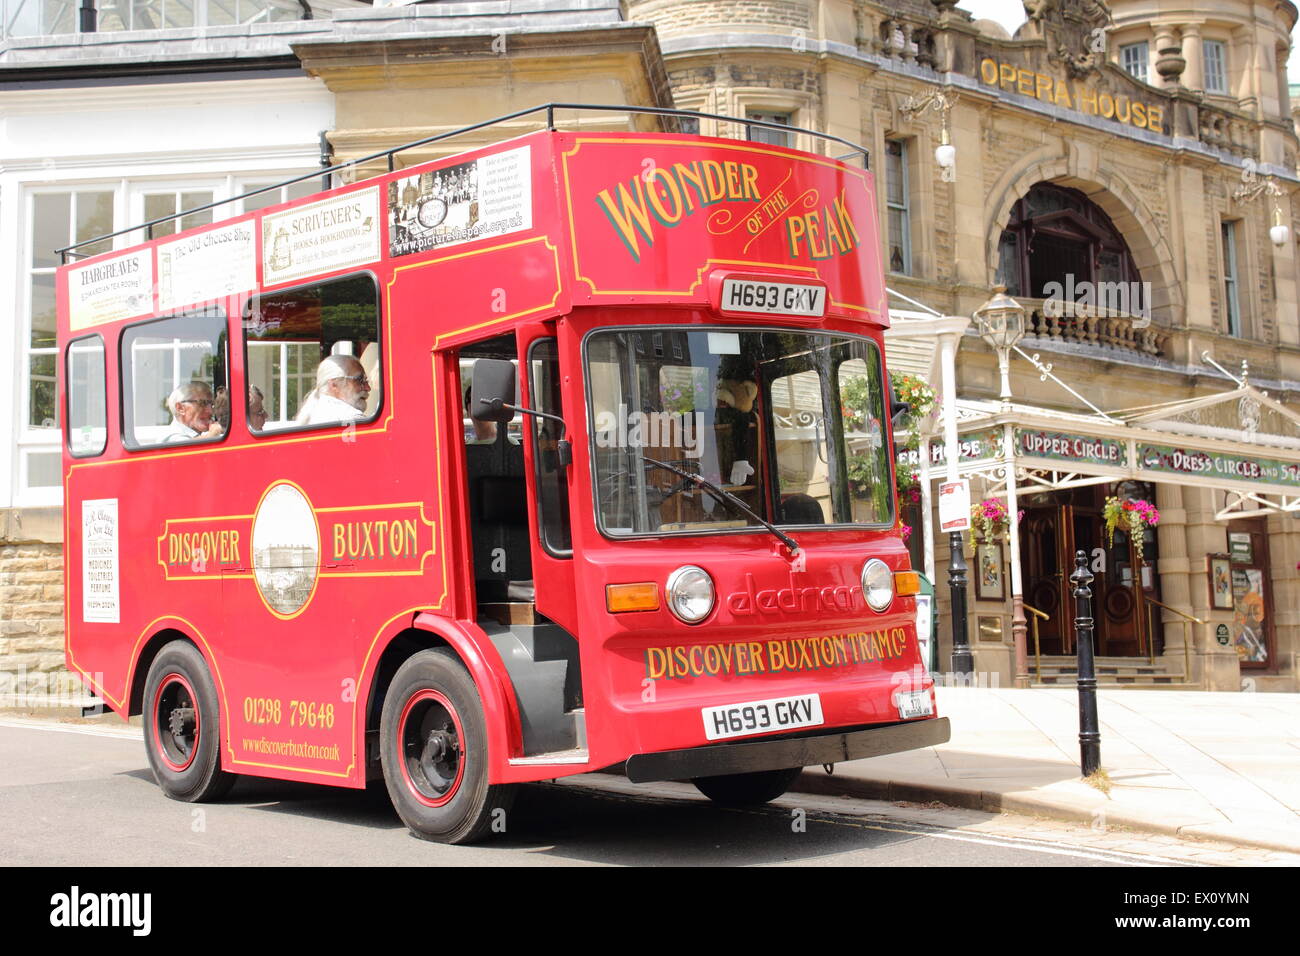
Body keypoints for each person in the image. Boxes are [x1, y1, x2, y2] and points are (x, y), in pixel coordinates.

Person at [296, 355, 370, 426]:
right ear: (334, 384)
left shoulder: (314, 411)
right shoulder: (351, 418)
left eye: (366, 381)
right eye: (359, 380)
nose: (368, 388)